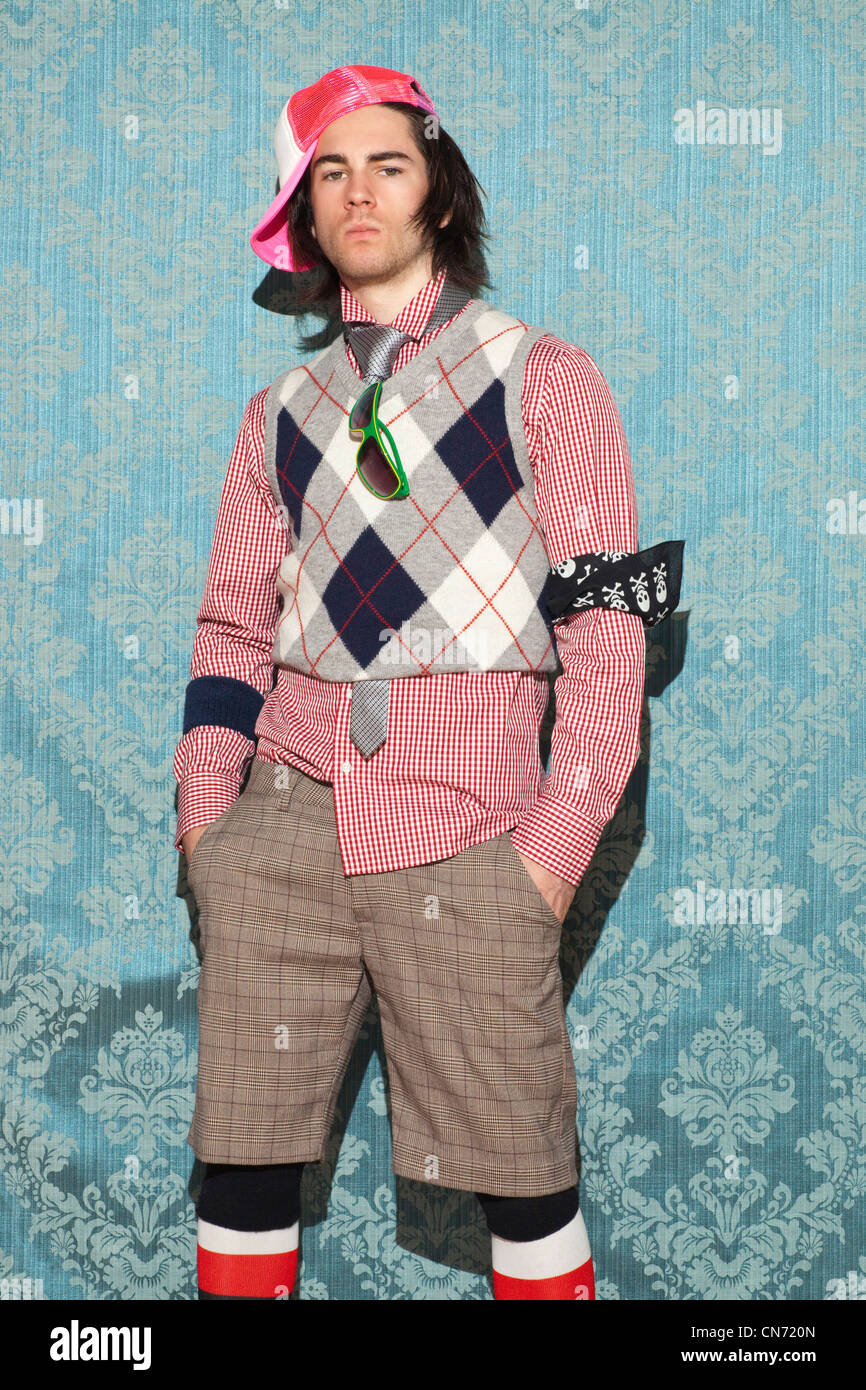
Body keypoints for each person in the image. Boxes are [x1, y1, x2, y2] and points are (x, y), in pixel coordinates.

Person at [174, 64, 683, 1302]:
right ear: (303, 209)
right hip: (281, 825)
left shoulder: (541, 375)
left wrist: (548, 856)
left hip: (470, 829)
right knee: (242, 1162)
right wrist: (210, 830)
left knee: (521, 1171)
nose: (358, 192)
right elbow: (231, 632)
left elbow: (607, 642)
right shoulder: (278, 413)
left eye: (386, 164)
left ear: (438, 194)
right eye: (328, 171)